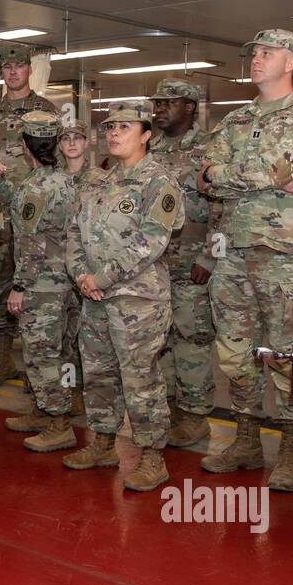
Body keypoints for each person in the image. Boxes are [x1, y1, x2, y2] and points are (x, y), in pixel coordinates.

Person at [198, 28, 293, 492]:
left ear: (290, 62)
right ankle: (247, 440)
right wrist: (264, 178)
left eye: (267, 52)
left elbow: (285, 167)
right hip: (230, 252)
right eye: (253, 52)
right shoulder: (234, 118)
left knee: (289, 352)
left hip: (281, 254)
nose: (255, 59)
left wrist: (240, 175)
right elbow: (206, 177)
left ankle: (291, 451)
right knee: (234, 352)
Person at [64, 110, 184, 492]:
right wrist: (81, 275)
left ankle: (152, 456)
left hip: (138, 300)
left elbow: (150, 242)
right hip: (95, 298)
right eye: (109, 128)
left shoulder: (158, 181)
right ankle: (102, 443)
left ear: (146, 135)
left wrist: (99, 278)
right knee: (98, 373)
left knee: (140, 378)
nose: (114, 134)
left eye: (125, 127)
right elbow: (73, 235)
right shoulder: (97, 182)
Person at [0, 43, 56, 387]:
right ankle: (3, 357)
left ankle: (41, 369)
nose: (13, 72)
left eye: (18, 66)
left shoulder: (45, 111)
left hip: (35, 215)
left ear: (28, 70)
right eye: (7, 68)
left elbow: (55, 160)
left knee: (36, 283)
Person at [0, 110, 78, 452]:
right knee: (60, 349)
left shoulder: (36, 186)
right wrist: (0, 183)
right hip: (64, 279)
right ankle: (44, 410)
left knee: (42, 354)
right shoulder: (62, 180)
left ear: (25, 145)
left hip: (41, 282)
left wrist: (19, 287)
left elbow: (30, 242)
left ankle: (58, 423)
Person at [148, 78, 220, 448]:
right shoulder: (150, 150)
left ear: (190, 106)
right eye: (156, 102)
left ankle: (195, 417)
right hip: (155, 265)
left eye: (168, 102)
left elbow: (223, 207)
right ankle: (170, 408)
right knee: (160, 340)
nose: (159, 108)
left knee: (192, 338)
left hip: (192, 261)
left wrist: (210, 256)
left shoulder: (209, 148)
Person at [57, 123, 95, 419]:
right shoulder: (51, 178)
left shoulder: (100, 179)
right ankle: (65, 391)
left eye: (77, 138)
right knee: (60, 336)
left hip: (85, 267)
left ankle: (81, 390)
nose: (71, 143)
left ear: (88, 142)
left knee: (83, 334)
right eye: (66, 138)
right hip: (54, 267)